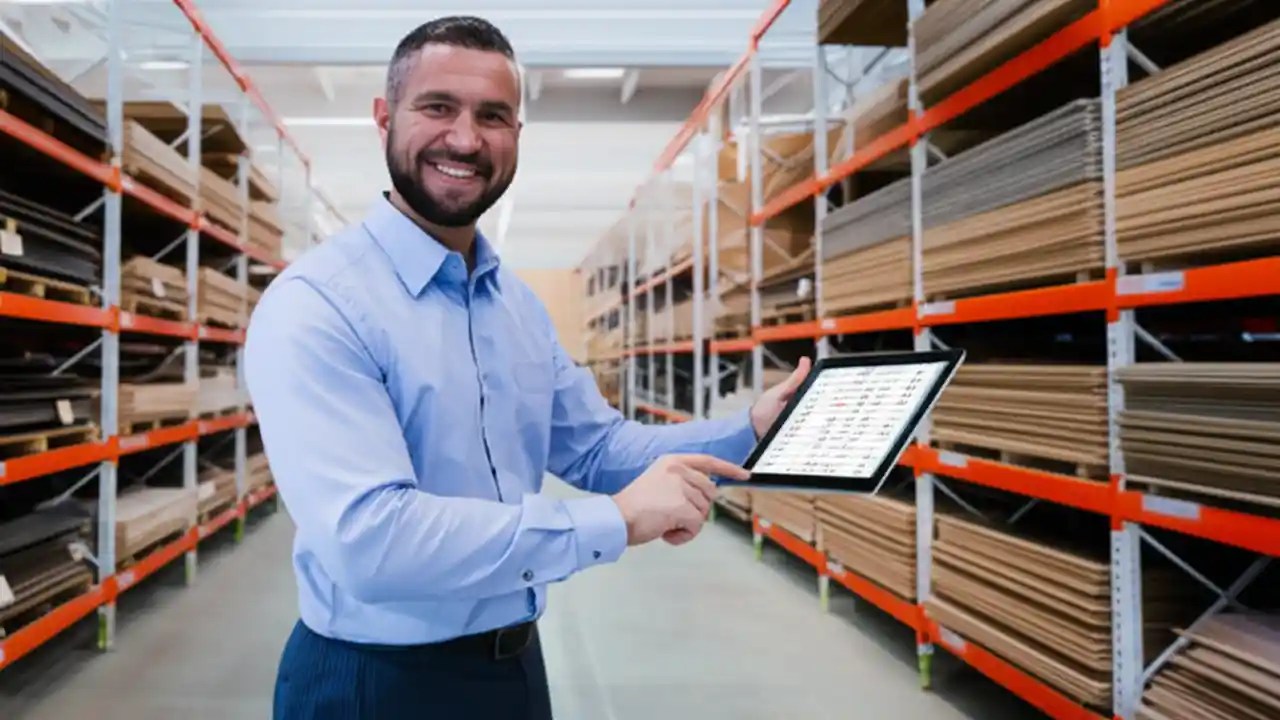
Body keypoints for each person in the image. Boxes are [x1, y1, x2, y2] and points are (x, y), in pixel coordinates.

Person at [244, 15, 812, 720]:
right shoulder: (318, 305)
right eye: (437, 107)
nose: (465, 138)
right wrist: (611, 523)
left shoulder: (515, 306)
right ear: (385, 118)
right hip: (375, 682)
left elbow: (598, 447)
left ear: (516, 136)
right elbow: (372, 542)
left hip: (512, 669)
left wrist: (750, 431)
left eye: (493, 116)